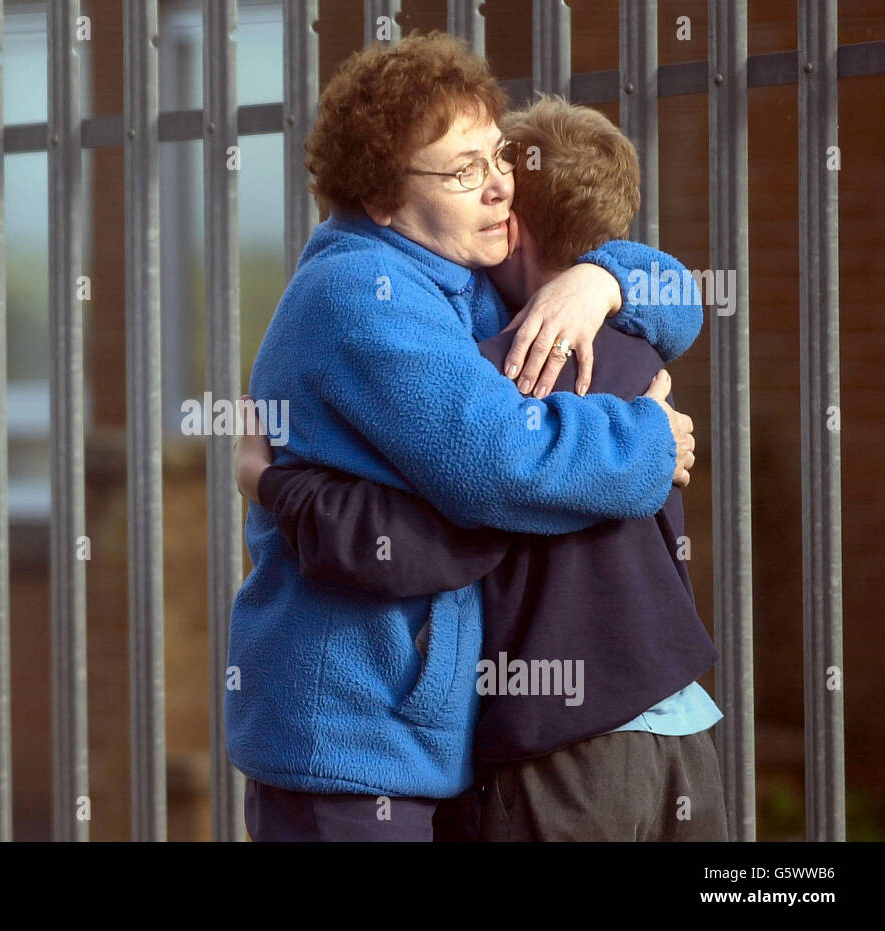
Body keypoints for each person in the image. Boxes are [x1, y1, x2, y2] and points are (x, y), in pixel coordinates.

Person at [229, 32, 702, 842]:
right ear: (381, 196)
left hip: (420, 737)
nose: (498, 192)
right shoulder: (361, 293)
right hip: (351, 740)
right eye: (463, 170)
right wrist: (651, 441)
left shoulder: (456, 273)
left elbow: (675, 295)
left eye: (497, 159)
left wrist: (603, 277)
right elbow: (501, 463)